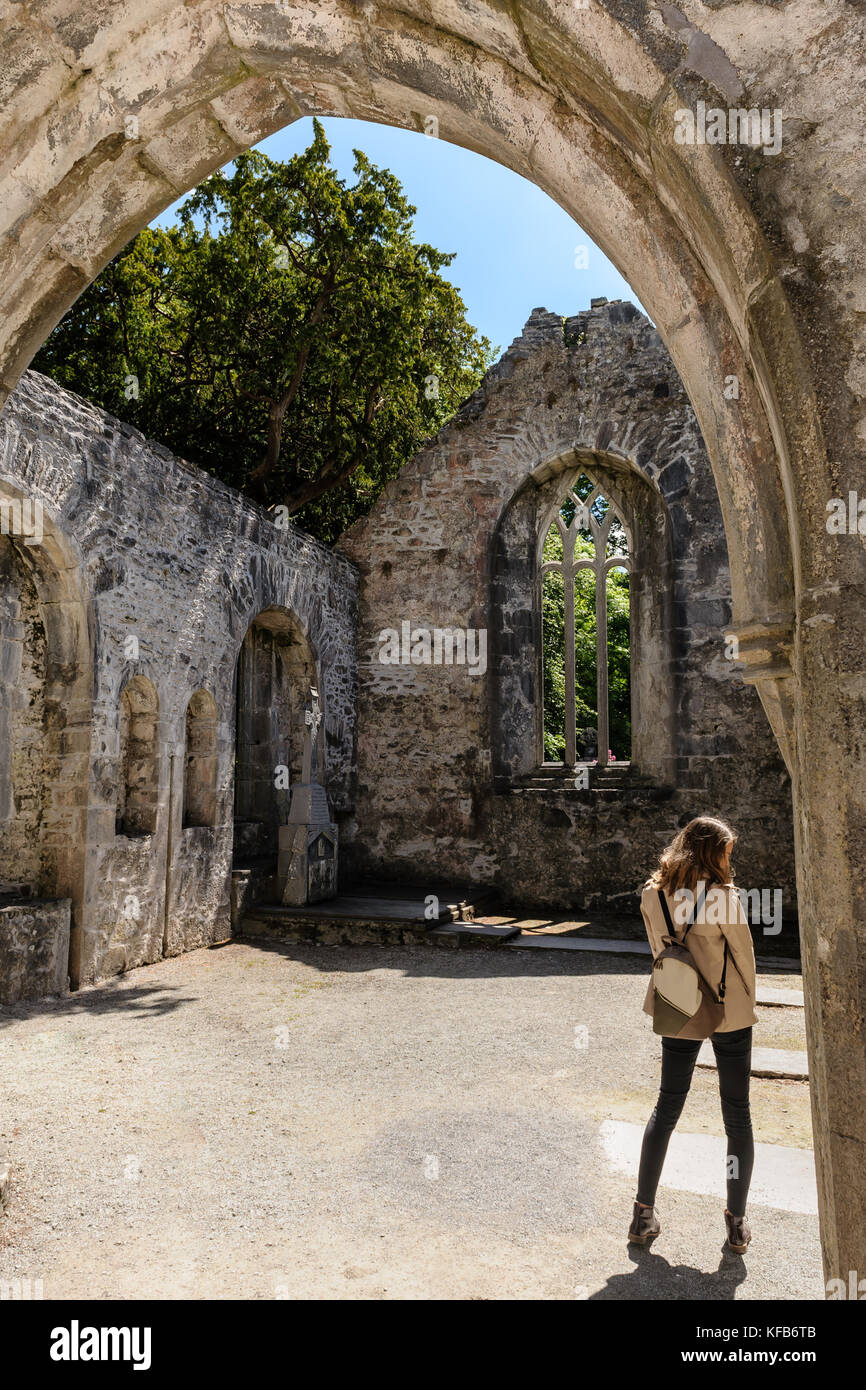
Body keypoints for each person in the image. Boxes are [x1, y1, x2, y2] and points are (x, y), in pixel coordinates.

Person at [629, 816, 757, 1254]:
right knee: (737, 1115)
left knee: (666, 1106)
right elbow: (743, 956)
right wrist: (748, 1004)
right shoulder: (722, 897)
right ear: (712, 851)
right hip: (728, 1008)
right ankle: (736, 1224)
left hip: (678, 1000)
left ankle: (642, 1213)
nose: (729, 859)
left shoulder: (652, 894)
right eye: (726, 851)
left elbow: (658, 950)